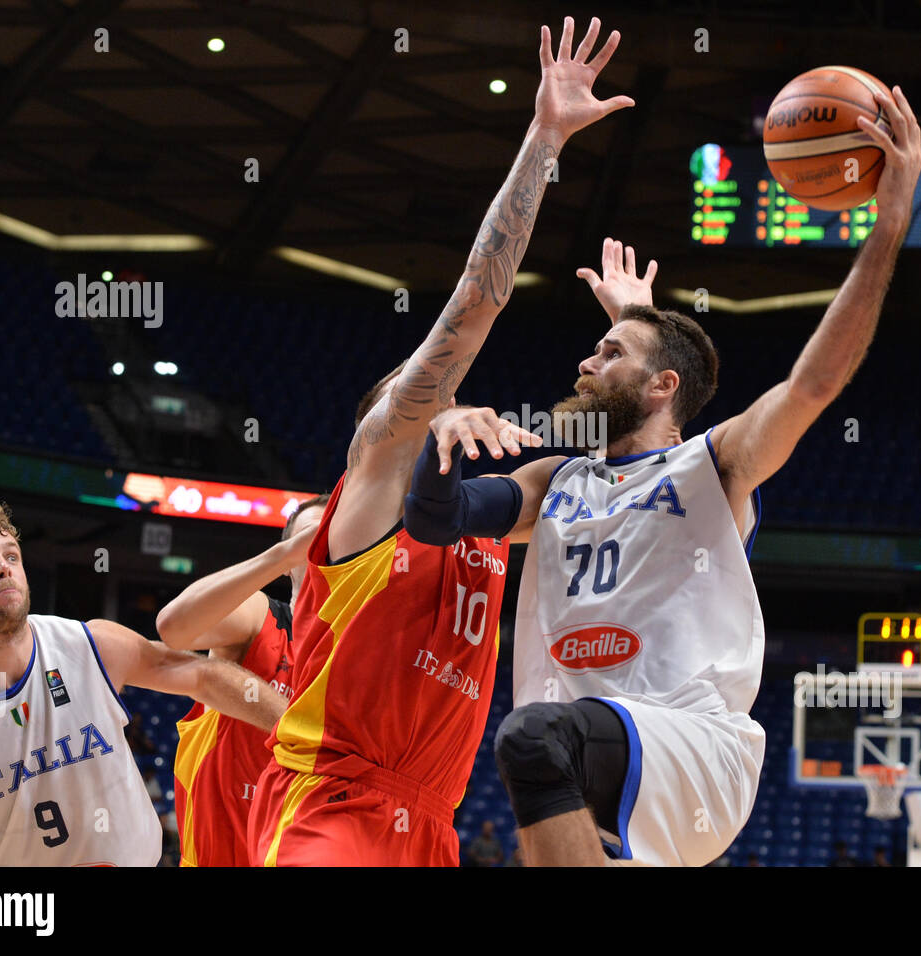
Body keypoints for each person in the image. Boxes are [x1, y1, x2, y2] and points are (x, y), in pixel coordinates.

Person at [405, 82, 921, 866]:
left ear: (663, 388)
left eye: (610, 354)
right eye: (595, 347)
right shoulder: (556, 481)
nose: (586, 360)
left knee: (534, 735)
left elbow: (813, 384)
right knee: (538, 742)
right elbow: (432, 520)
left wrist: (888, 223)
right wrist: (440, 438)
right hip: (592, 765)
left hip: (694, 751)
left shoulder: (712, 465)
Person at [246, 15, 634, 868]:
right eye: (429, 393)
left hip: (433, 821)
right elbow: (475, 302)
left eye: (453, 397)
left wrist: (635, 336)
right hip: (333, 797)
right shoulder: (377, 471)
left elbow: (622, 468)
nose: (449, 399)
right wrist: (544, 140)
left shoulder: (482, 511)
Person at [0, 501, 288, 866]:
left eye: (11, 555)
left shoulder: (92, 646)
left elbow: (202, 676)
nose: (3, 567)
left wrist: (296, 729)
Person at [156, 495, 327, 866]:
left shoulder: (354, 652)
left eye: (331, 536)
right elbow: (175, 627)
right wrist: (280, 556)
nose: (320, 547)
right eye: (310, 537)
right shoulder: (261, 616)